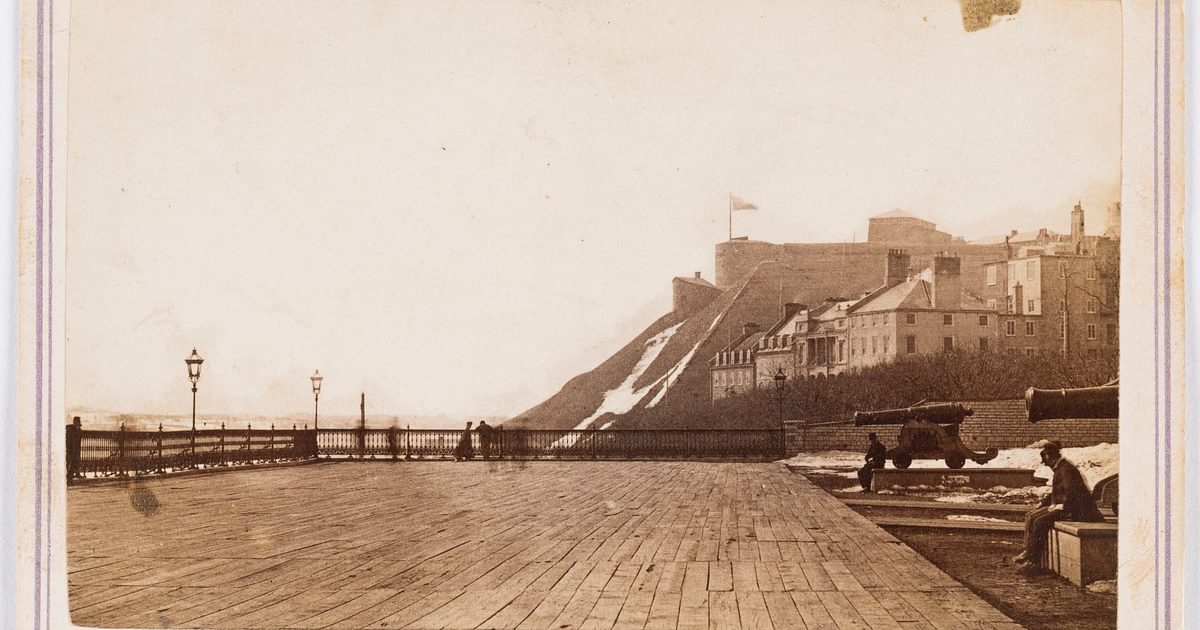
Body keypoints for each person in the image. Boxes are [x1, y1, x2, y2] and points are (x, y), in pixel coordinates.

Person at [1012, 440, 1104, 567]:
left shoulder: (1066, 470)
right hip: (1066, 505)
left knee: (1039, 522)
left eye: (1047, 462)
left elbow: (1071, 493)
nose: (1047, 465)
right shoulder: (1061, 468)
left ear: (1051, 458)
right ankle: (1028, 551)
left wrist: (1058, 507)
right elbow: (1057, 492)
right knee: (1031, 515)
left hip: (1077, 509)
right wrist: (1043, 504)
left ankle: (1033, 561)